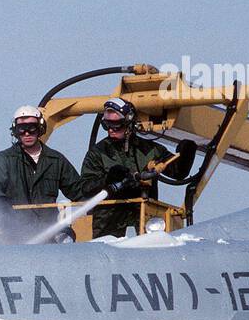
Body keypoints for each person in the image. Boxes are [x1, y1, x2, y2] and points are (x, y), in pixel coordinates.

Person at [80, 98, 196, 238]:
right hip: (108, 229)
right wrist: (108, 180)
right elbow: (85, 188)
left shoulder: (149, 151)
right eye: (107, 125)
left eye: (116, 125)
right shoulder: (98, 153)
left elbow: (178, 173)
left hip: (144, 227)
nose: (111, 130)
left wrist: (187, 152)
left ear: (128, 122)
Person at [0, 105, 88, 242]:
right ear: (15, 131)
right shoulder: (4, 160)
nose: (27, 133)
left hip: (49, 235)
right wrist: (2, 203)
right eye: (21, 129)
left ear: (40, 128)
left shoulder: (55, 160)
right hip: (14, 236)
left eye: (32, 128)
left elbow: (78, 191)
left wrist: (103, 186)